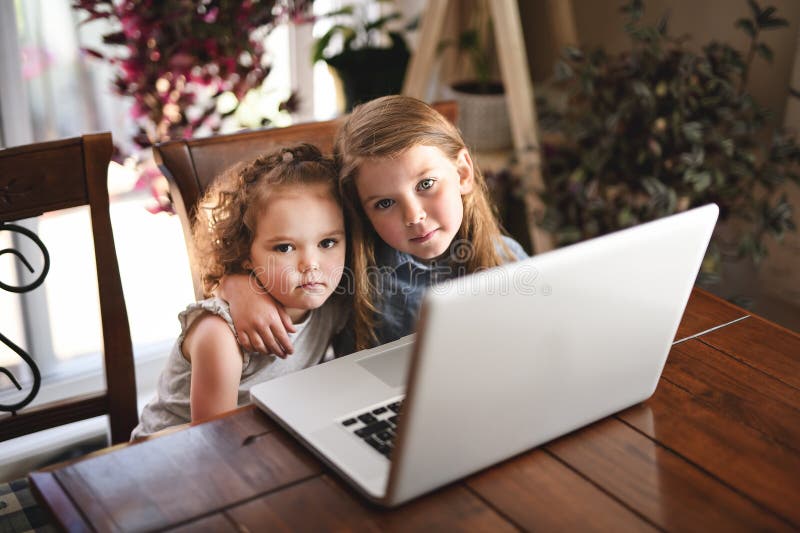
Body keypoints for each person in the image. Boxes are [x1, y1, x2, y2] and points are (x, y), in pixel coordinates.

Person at [220, 95, 527, 355]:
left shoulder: (507, 260)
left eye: (426, 184)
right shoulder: (346, 262)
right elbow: (274, 266)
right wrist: (239, 287)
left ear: (462, 173)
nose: (413, 216)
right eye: (384, 203)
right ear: (360, 209)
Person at [131, 144, 349, 439]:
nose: (311, 264)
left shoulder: (333, 304)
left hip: (260, 442)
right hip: (168, 463)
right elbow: (214, 444)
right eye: (285, 247)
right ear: (245, 252)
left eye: (327, 243)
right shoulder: (219, 334)